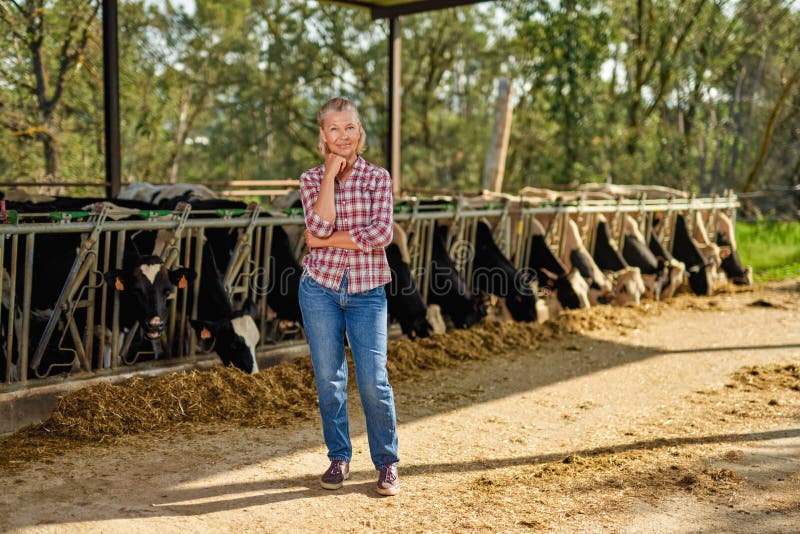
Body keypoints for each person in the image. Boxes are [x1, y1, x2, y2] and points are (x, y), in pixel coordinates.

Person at [298, 97, 400, 496]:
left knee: (374, 379)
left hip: (367, 291)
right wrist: (329, 175)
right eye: (334, 129)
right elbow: (317, 225)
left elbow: (382, 234)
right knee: (330, 380)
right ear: (323, 135)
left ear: (360, 131)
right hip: (319, 289)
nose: (343, 136)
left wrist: (326, 241)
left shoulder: (378, 177)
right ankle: (338, 456)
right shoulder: (310, 179)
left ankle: (387, 462)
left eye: (350, 127)